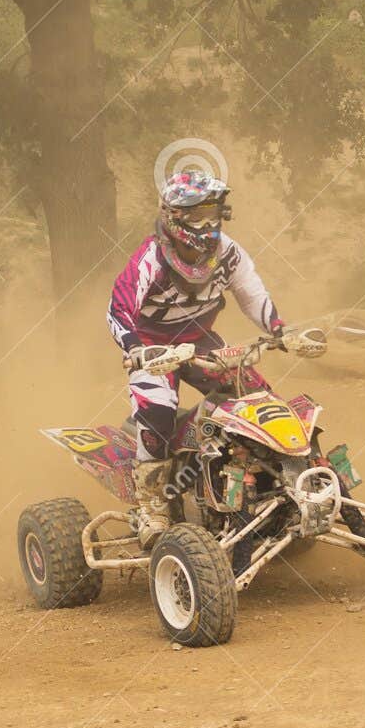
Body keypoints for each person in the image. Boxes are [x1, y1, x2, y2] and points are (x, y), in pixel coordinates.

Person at [107, 170, 285, 536]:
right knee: (156, 409)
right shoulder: (151, 258)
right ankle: (152, 505)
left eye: (212, 213)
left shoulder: (228, 253)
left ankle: (275, 483)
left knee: (257, 399)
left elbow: (253, 296)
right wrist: (136, 349)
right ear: (174, 216)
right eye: (196, 215)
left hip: (202, 341)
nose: (206, 223)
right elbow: (118, 310)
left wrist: (279, 330)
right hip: (154, 347)